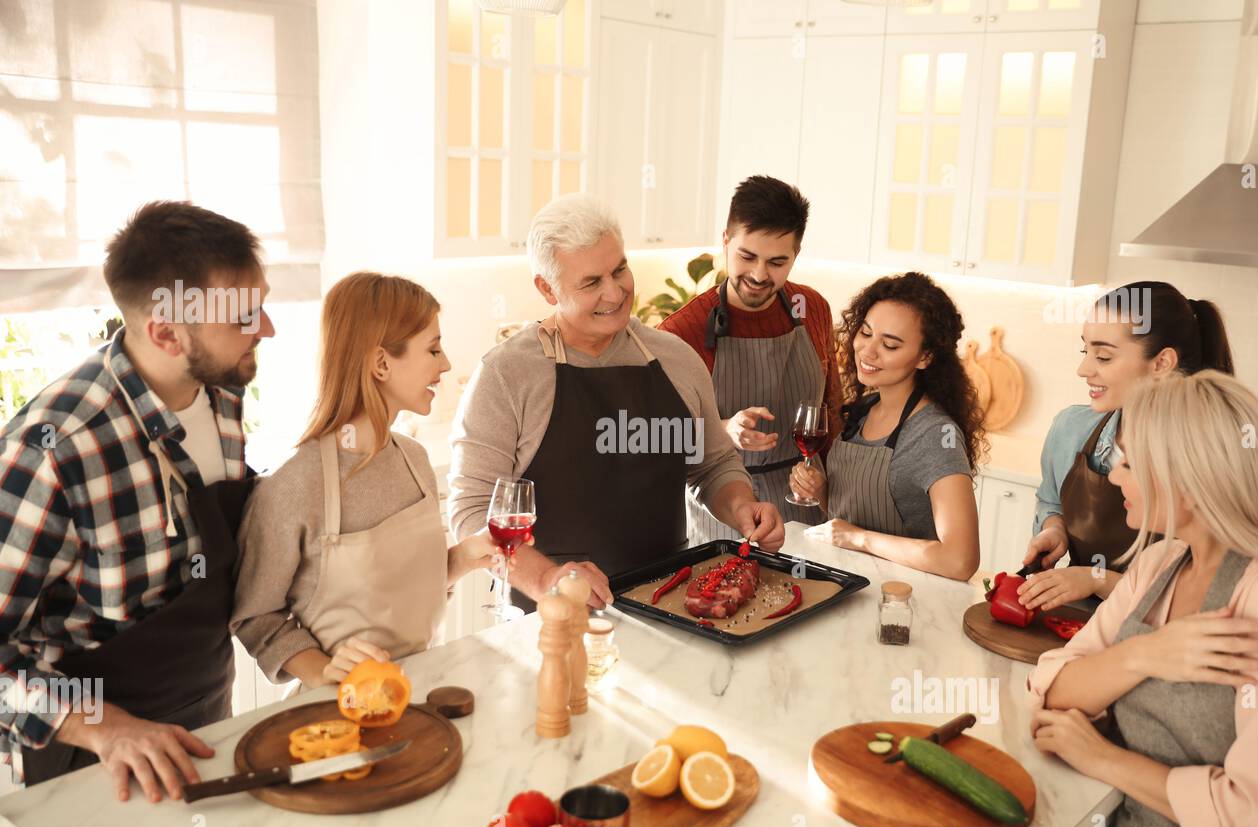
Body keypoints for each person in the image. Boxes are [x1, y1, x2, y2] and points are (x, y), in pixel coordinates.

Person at [0, 201, 273, 800]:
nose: (267, 329)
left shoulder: (221, 392)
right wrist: (108, 727)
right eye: (245, 317)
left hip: (209, 722)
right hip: (93, 764)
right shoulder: (53, 450)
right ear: (167, 331)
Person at [448, 194, 784, 609]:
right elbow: (471, 511)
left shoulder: (677, 358)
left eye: (619, 270)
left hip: (668, 601)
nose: (615, 292)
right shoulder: (505, 375)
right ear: (546, 289)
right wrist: (547, 578)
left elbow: (713, 465)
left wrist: (741, 506)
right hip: (547, 611)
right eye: (591, 282)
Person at [1028, 370, 1258, 827]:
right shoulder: (1159, 566)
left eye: (1128, 461)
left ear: (1188, 479)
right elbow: (1055, 688)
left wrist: (1104, 760)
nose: (1113, 476)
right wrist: (1144, 654)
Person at [230, 273, 508, 689]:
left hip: (420, 688)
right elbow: (257, 617)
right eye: (433, 349)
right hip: (334, 709)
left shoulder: (414, 460)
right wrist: (323, 670)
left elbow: (399, 595)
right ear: (381, 364)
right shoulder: (292, 486)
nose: (445, 363)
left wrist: (463, 558)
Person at [1018, 281, 1234, 612]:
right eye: (1085, 351)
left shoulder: (1204, 459)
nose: (1084, 369)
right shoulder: (1070, 429)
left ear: (1161, 363)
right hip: (1069, 624)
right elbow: (1051, 501)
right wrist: (1055, 528)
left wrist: (1097, 579)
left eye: (1103, 356)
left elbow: (1198, 597)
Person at [659, 175, 840, 541]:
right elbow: (660, 438)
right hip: (723, 516)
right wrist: (724, 430)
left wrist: (829, 488)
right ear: (726, 242)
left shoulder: (812, 308)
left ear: (796, 255)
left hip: (807, 511)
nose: (759, 275)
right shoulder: (682, 331)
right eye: (746, 256)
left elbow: (832, 409)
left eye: (777, 262)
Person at [792, 272, 983, 581]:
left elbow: (960, 560)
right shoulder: (862, 412)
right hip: (849, 584)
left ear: (925, 357)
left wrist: (860, 538)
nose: (867, 351)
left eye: (890, 345)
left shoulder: (934, 435)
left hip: (907, 598)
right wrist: (822, 491)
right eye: (865, 333)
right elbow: (845, 519)